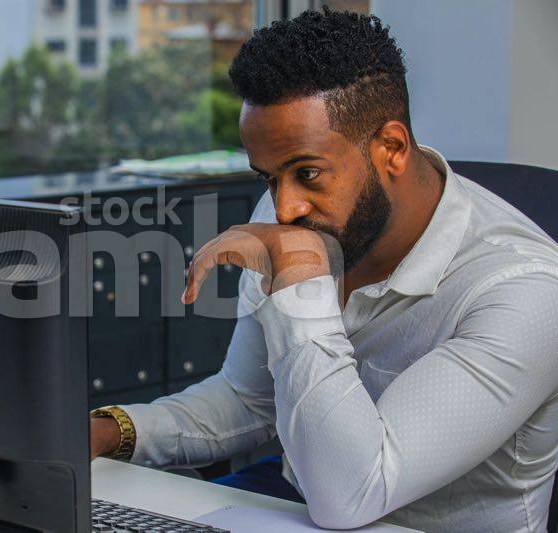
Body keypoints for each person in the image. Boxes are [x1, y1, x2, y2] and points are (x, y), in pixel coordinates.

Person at [89, 8, 558, 532]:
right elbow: (249, 399)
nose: (283, 208)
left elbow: (353, 492)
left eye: (306, 173)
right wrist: (111, 432)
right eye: (269, 178)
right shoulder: (295, 212)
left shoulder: (524, 292)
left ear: (392, 148)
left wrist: (302, 279)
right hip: (295, 506)